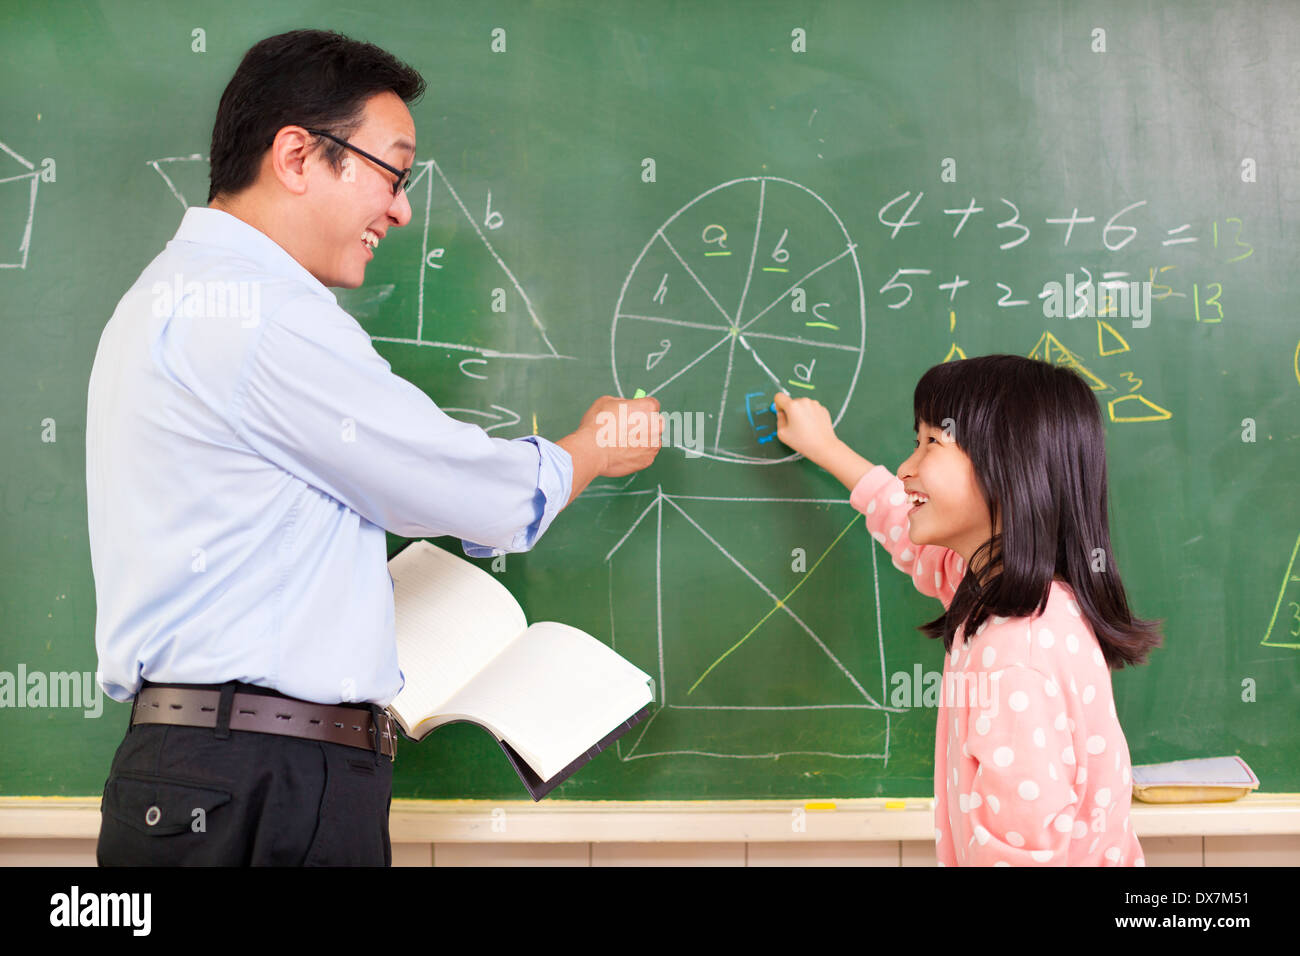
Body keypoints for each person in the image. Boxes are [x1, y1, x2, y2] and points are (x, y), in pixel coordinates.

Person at [87, 29, 662, 866]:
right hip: (266, 782)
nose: (401, 210)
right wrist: (591, 449)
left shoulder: (162, 297)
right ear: (296, 156)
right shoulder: (262, 311)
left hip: (201, 775)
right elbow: (468, 489)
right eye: (393, 174)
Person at [773, 354, 1162, 866]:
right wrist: (826, 449)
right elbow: (909, 532)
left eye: (932, 443)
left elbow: (1021, 858)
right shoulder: (1009, 596)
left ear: (1009, 465)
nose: (906, 467)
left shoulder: (1015, 654)